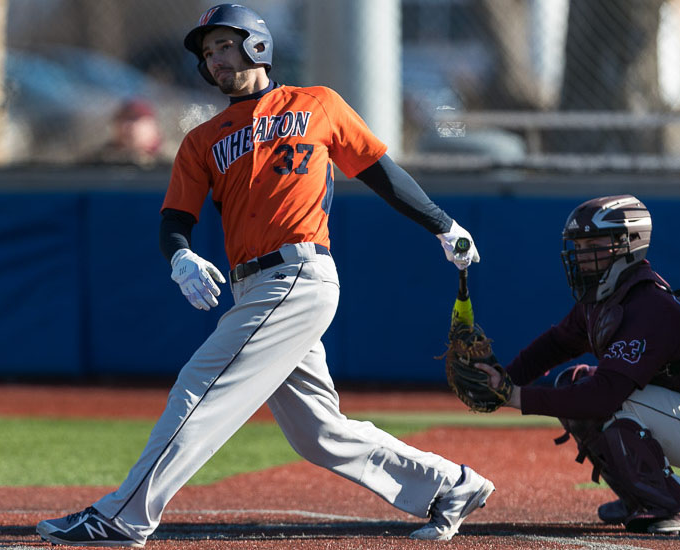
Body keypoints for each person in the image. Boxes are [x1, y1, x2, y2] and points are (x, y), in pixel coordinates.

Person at [37, 4, 492, 546]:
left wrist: (443, 225)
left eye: (224, 46)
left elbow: (381, 173)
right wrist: (180, 258)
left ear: (256, 45)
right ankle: (450, 487)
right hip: (253, 286)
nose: (215, 60)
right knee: (317, 433)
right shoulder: (201, 139)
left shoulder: (317, 103)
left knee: (200, 388)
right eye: (208, 54)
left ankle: (124, 516)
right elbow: (174, 223)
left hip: (296, 277)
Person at [475, 195, 680, 534]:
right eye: (578, 244)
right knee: (574, 383)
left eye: (593, 242)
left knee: (609, 403)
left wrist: (513, 396)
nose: (581, 252)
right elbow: (556, 344)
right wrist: (504, 377)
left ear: (629, 243)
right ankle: (644, 495)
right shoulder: (608, 294)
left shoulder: (650, 306)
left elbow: (602, 398)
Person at [85, 98, 167, 168]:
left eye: (134, 119)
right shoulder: (96, 164)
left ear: (153, 126)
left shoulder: (169, 166)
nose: (127, 126)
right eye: (122, 120)